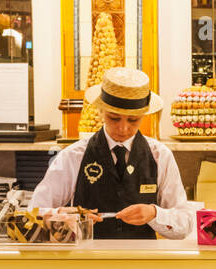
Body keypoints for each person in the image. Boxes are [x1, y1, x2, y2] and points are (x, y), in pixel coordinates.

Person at [30, 67, 193, 240]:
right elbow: (34, 214)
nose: (123, 128)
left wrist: (154, 213)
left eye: (133, 120)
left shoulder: (160, 156)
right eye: (114, 118)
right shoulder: (73, 156)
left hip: (142, 262)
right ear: (100, 111)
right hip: (86, 261)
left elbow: (185, 223)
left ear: (144, 115)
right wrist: (65, 216)